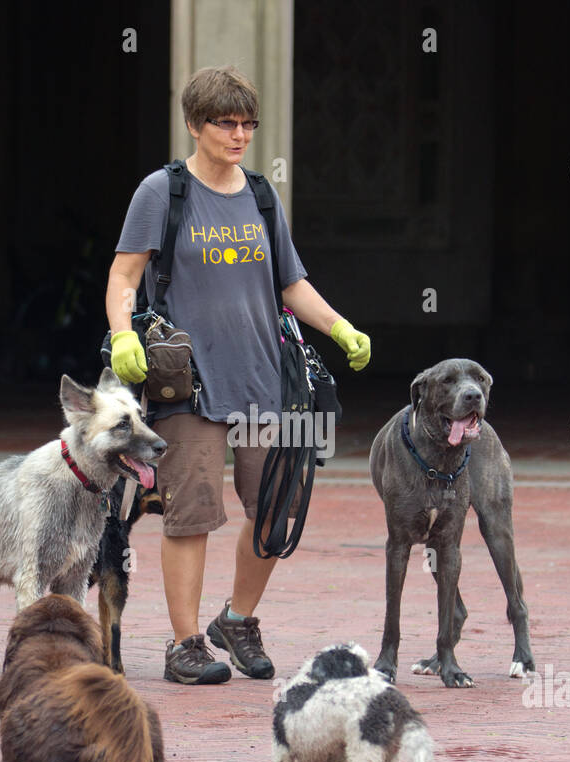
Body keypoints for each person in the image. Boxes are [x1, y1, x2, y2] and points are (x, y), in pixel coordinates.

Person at [105, 65, 371, 685]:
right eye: (226, 122)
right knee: (190, 512)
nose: (240, 134)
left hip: (262, 378)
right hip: (188, 380)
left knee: (278, 507)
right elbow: (122, 277)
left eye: (248, 123)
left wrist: (340, 327)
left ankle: (238, 618)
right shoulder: (161, 192)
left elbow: (290, 283)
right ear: (196, 125)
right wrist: (122, 334)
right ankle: (185, 643)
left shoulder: (260, 195)